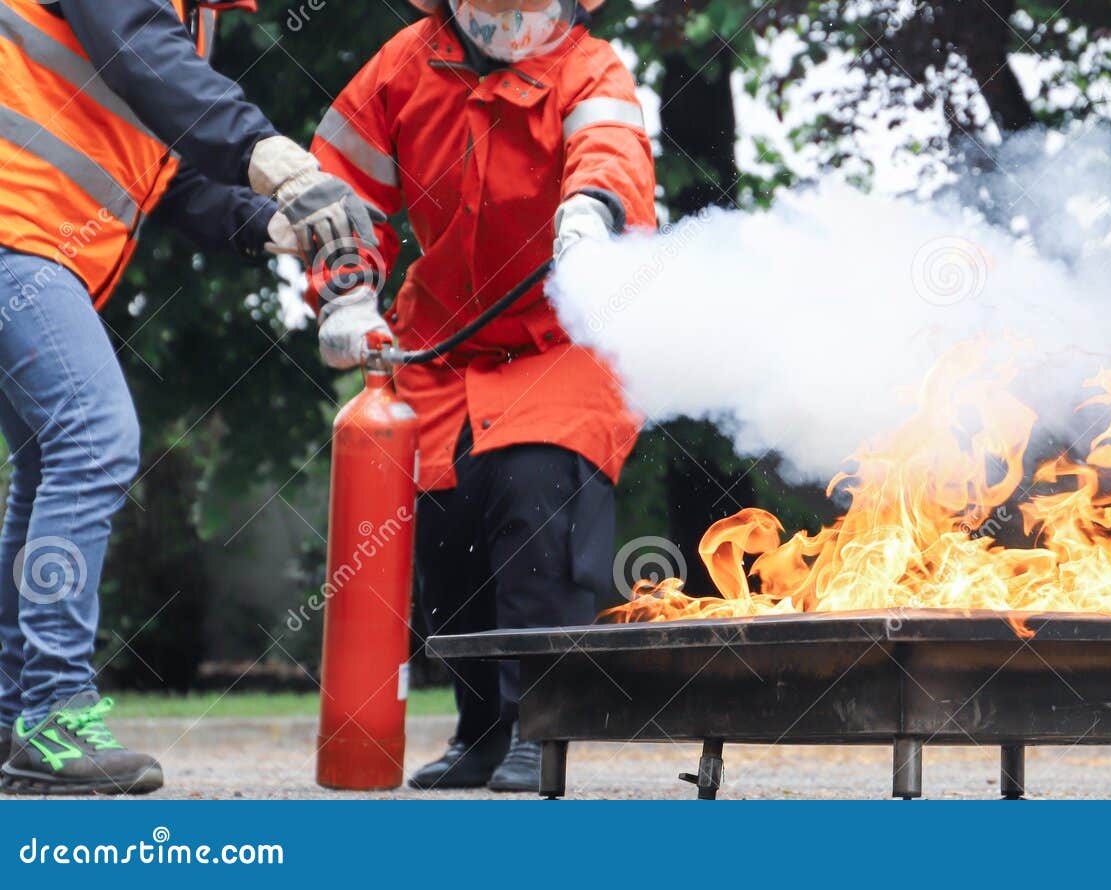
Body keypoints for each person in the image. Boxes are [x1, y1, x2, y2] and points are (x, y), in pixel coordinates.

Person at [0, 0, 375, 795]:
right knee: (93, 439)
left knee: (46, 462)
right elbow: (143, 56)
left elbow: (167, 179)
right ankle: (55, 713)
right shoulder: (152, 24)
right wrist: (282, 163)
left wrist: (276, 224)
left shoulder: (191, 20)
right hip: (14, 231)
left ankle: (13, 720)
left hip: (32, 243)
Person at [308, 0, 655, 791]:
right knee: (446, 536)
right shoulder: (404, 64)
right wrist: (347, 292)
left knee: (537, 513)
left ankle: (541, 729)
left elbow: (612, 155)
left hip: (559, 343)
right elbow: (339, 188)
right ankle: (482, 731)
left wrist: (591, 212)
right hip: (443, 347)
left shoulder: (590, 68)